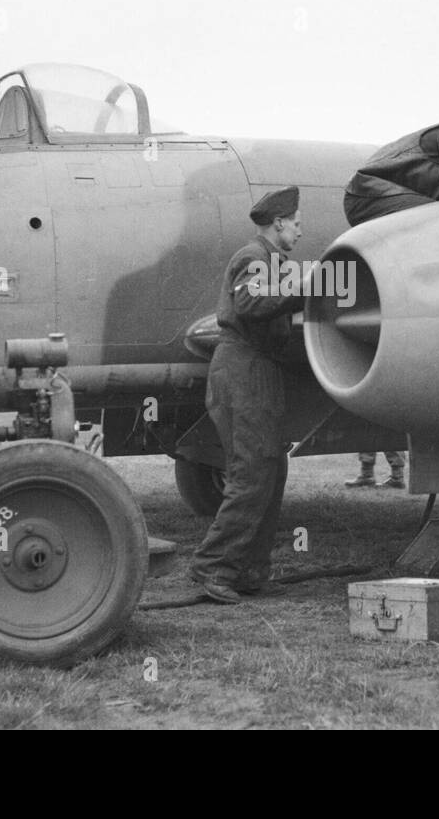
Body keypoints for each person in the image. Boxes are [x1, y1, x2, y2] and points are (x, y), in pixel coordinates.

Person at [191, 186, 305, 604]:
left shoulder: (273, 262)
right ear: (278, 223)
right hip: (244, 369)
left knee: (271, 473)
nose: (300, 229)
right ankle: (214, 568)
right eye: (295, 222)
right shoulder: (253, 259)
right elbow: (253, 306)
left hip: (261, 370)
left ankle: (250, 571)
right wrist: (307, 287)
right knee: (252, 472)